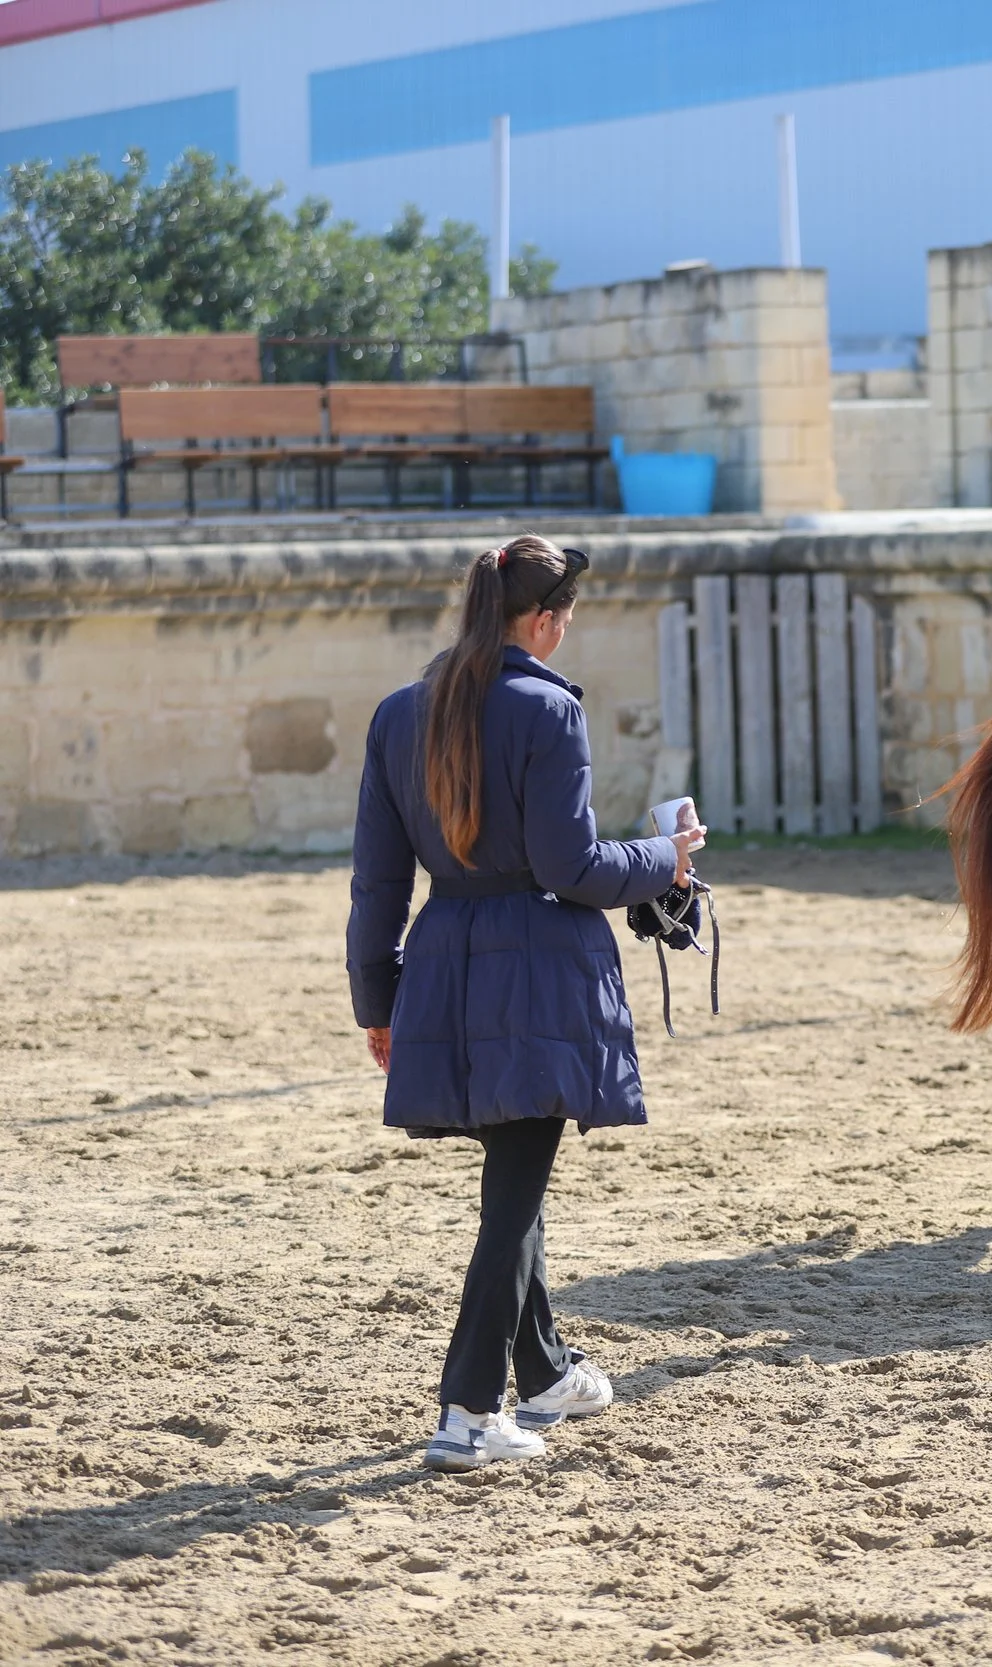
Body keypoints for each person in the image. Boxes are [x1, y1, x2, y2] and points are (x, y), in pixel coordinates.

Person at [347, 534, 703, 1473]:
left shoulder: (396, 714)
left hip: (442, 967)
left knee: (517, 1172)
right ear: (542, 619)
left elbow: (377, 883)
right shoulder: (548, 709)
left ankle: (543, 1374)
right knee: (511, 1200)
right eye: (568, 615)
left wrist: (376, 1000)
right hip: (538, 971)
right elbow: (571, 868)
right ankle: (467, 1409)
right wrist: (666, 858)